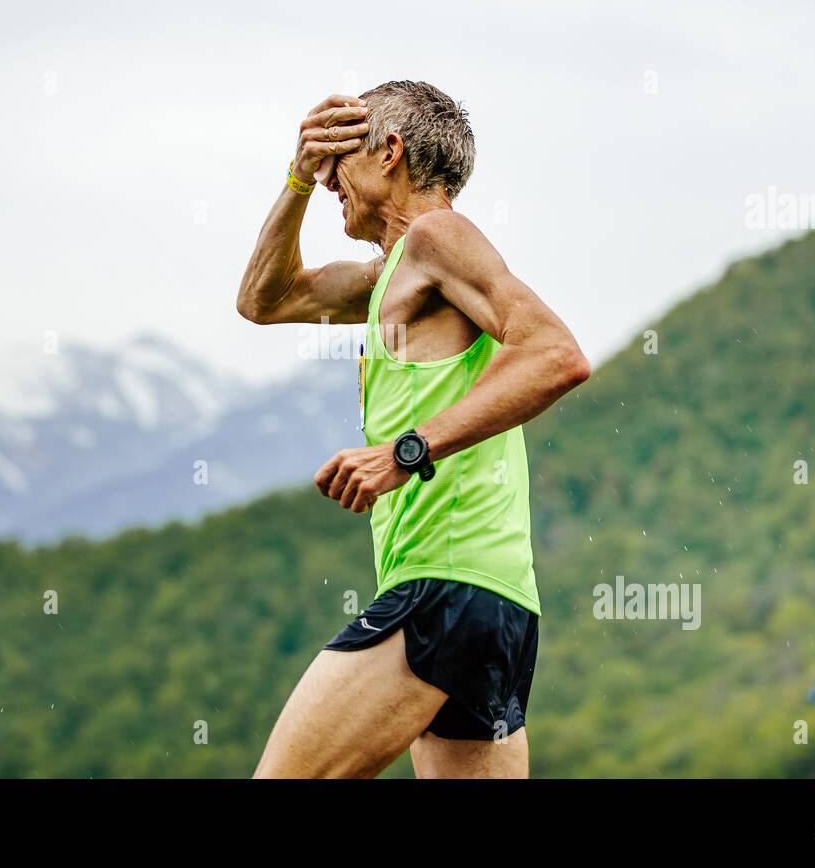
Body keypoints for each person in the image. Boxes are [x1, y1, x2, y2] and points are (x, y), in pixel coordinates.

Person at [237, 81, 591, 778]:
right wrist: (297, 178)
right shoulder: (388, 279)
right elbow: (263, 299)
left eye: (343, 159)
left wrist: (406, 452)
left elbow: (556, 354)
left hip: (445, 592)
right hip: (492, 602)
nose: (334, 178)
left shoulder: (435, 237)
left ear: (391, 152)